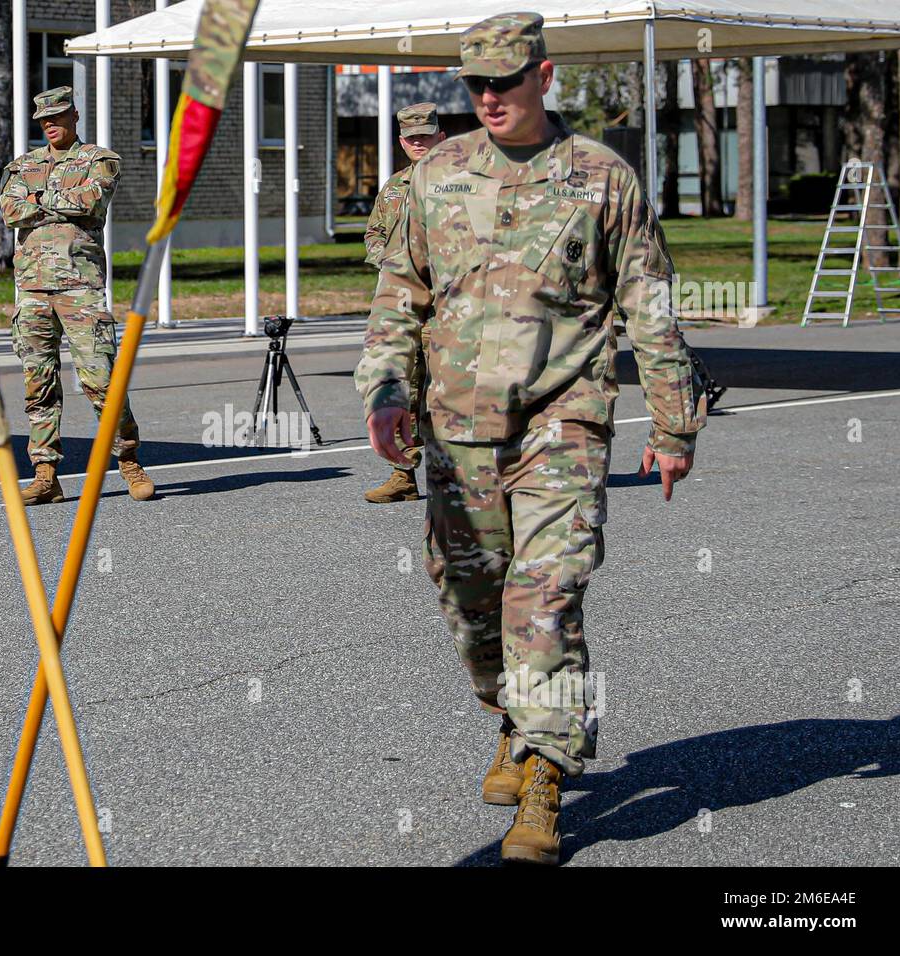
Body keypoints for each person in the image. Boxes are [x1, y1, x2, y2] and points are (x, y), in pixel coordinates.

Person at [355, 12, 706, 865]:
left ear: (542, 79)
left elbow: (648, 303)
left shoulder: (600, 177)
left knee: (543, 599)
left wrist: (672, 421)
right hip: (456, 428)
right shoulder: (433, 176)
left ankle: (545, 777)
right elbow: (401, 291)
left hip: (563, 421)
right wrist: (386, 391)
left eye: (503, 83)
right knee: (471, 608)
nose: (487, 98)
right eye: (473, 85)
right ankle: (514, 720)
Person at [0, 86, 154, 505]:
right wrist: (57, 202)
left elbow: (91, 200)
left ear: (74, 117)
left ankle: (128, 461)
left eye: (58, 117)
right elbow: (9, 211)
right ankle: (46, 473)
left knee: (101, 380)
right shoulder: (23, 164)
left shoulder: (99, 160)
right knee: (39, 384)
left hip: (80, 288)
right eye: (44, 120)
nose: (51, 124)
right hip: (32, 289)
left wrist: (38, 199)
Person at [361, 102, 445, 504]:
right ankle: (403, 475)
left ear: (440, 139)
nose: (419, 144)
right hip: (406, 306)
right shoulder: (394, 188)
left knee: (449, 393)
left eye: (426, 137)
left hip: (449, 310)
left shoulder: (463, 186)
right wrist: (390, 261)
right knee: (404, 388)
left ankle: (461, 478)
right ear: (402, 142)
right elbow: (374, 232)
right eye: (412, 139)